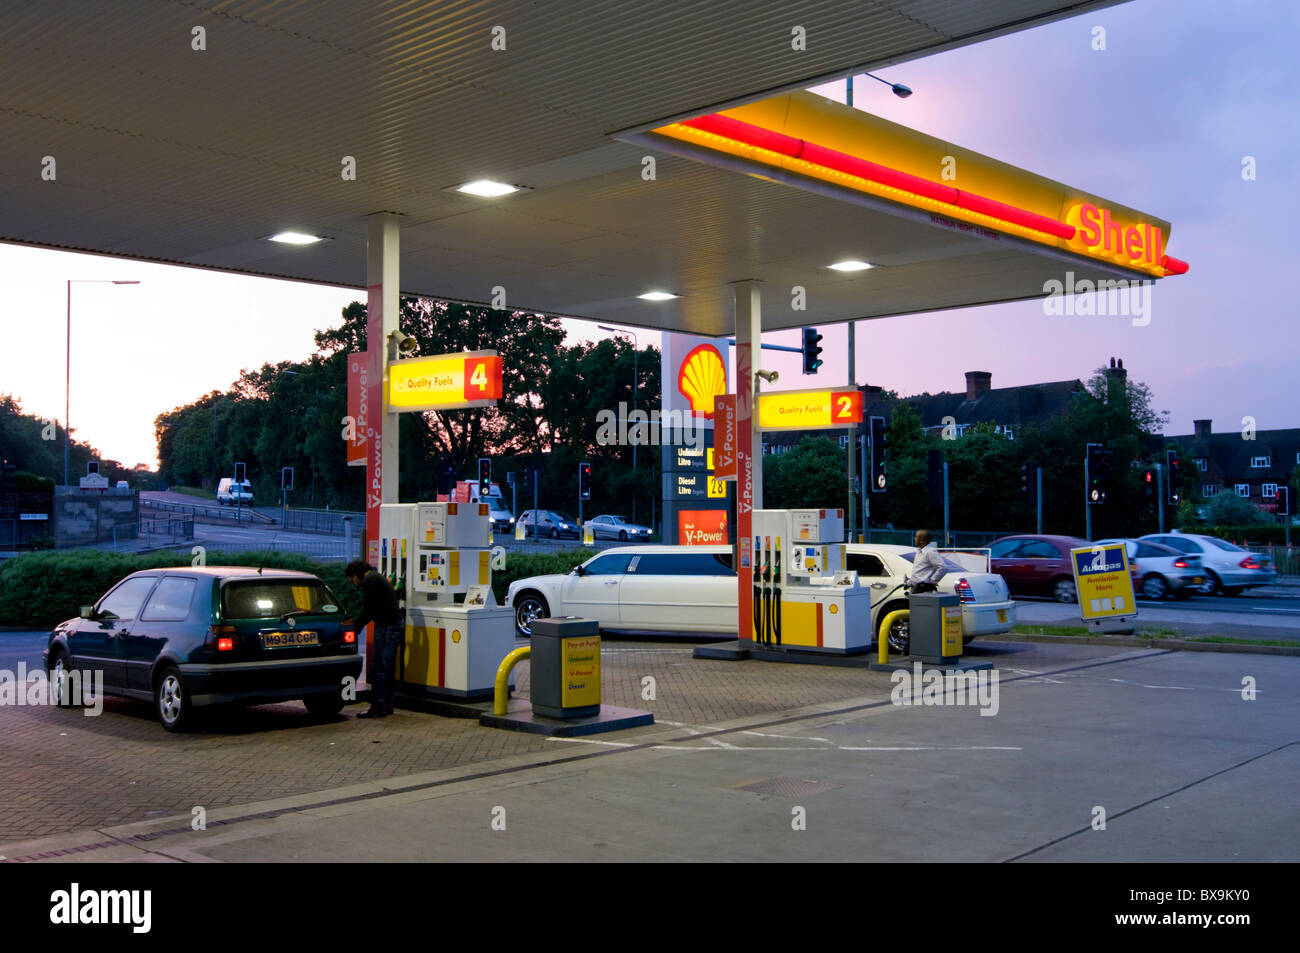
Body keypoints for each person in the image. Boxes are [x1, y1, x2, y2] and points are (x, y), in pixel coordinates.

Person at [345, 559, 403, 719]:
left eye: (353, 580)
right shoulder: (377, 578)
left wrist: (356, 626)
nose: (355, 584)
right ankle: (387, 704)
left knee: (379, 666)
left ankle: (377, 706)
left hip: (387, 626)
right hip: (391, 624)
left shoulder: (370, 581)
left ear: (357, 574)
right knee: (387, 667)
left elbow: (368, 608)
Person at [907, 529, 946, 594]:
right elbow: (919, 572)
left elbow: (943, 567)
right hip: (917, 589)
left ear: (922, 540)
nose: (914, 539)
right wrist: (909, 583)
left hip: (925, 591)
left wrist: (931, 582)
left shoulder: (930, 552)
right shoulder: (919, 552)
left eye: (916, 537)